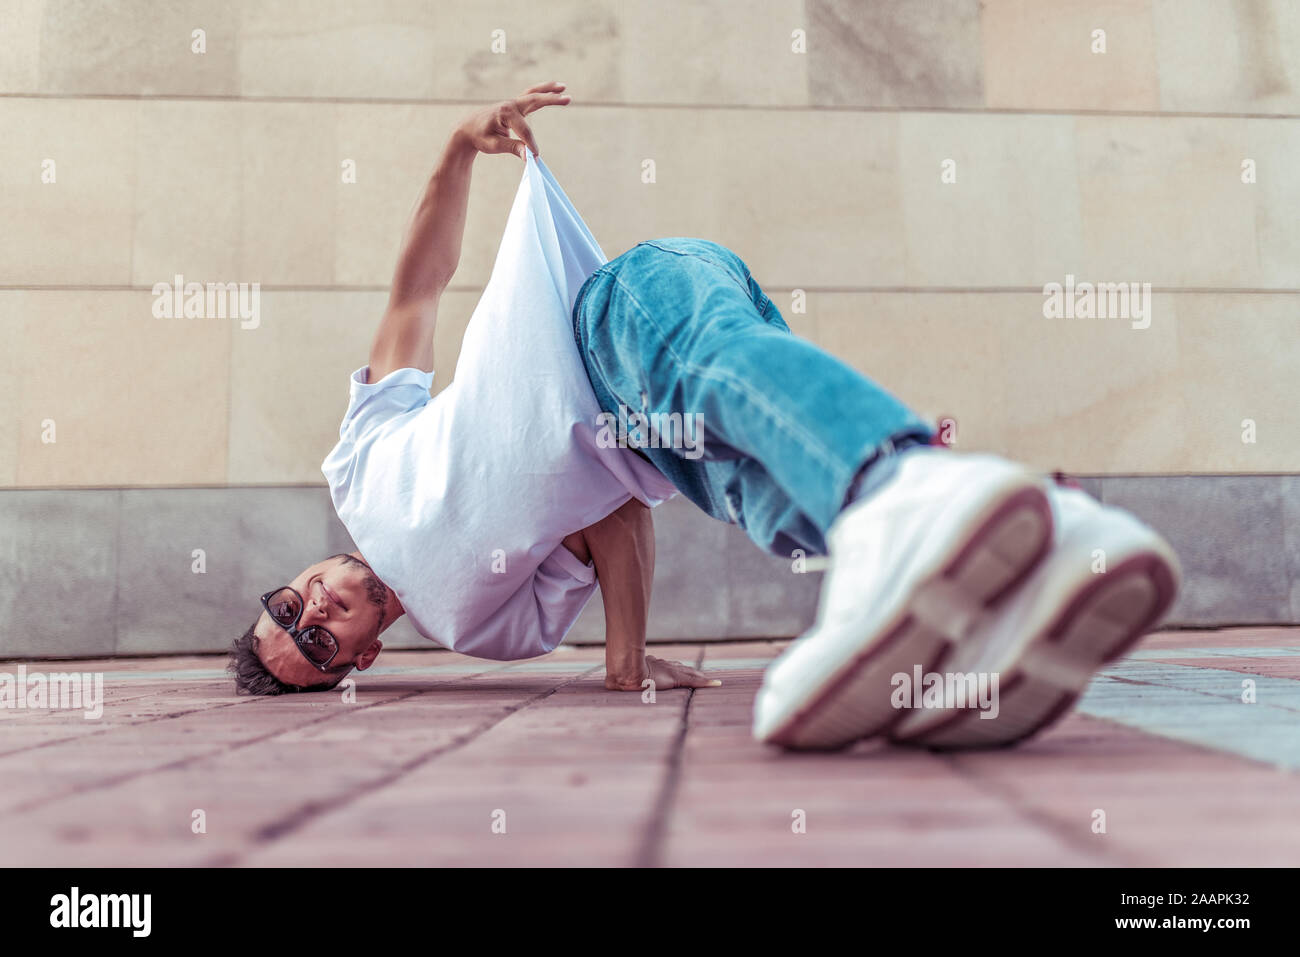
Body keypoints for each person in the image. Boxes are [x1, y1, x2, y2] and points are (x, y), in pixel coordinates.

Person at [228, 81, 1181, 752]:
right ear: (362, 656)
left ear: (294, 578)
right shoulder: (481, 626)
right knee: (767, 501)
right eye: (315, 644)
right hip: (654, 446)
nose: (312, 612)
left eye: (288, 606)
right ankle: (1009, 572)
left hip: (610, 322)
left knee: (710, 373)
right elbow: (610, 517)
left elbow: (417, 293)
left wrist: (452, 148)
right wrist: (624, 658)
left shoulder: (357, 468)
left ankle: (910, 492)